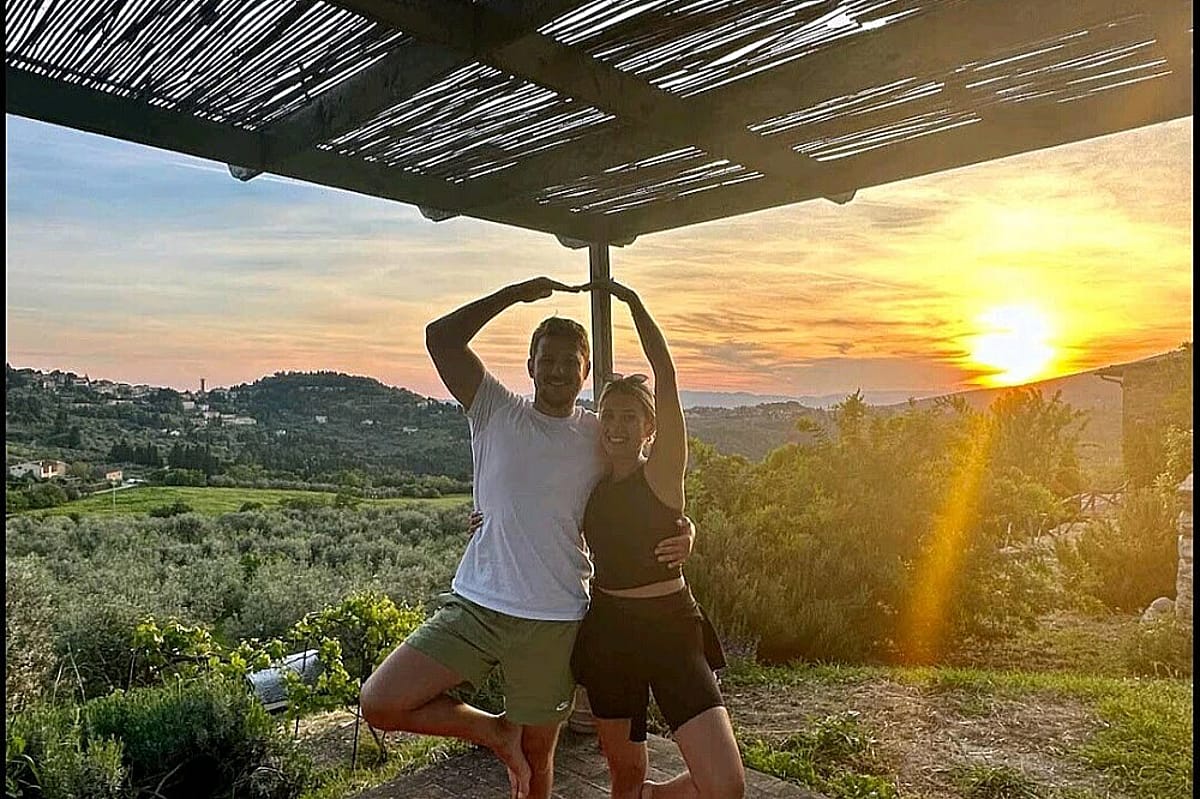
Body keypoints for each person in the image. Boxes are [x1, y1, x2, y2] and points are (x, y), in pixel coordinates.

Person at [359, 276, 694, 799]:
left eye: (570, 361)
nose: (559, 369)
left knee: (538, 758)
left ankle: (510, 739)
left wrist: (684, 528)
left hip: (555, 618)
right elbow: (440, 339)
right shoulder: (493, 408)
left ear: (586, 372)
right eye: (548, 358)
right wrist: (513, 295)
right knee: (381, 701)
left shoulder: (597, 433)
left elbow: (648, 484)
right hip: (477, 603)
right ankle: (492, 728)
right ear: (531, 365)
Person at [572, 279, 745, 799]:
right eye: (610, 415)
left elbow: (666, 376)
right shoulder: (589, 476)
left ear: (650, 428)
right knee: (622, 776)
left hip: (671, 629)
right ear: (599, 421)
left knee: (725, 786)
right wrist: (484, 517)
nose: (618, 426)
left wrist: (632, 303)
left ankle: (656, 796)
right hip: (609, 633)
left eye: (631, 417)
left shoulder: (663, 473)